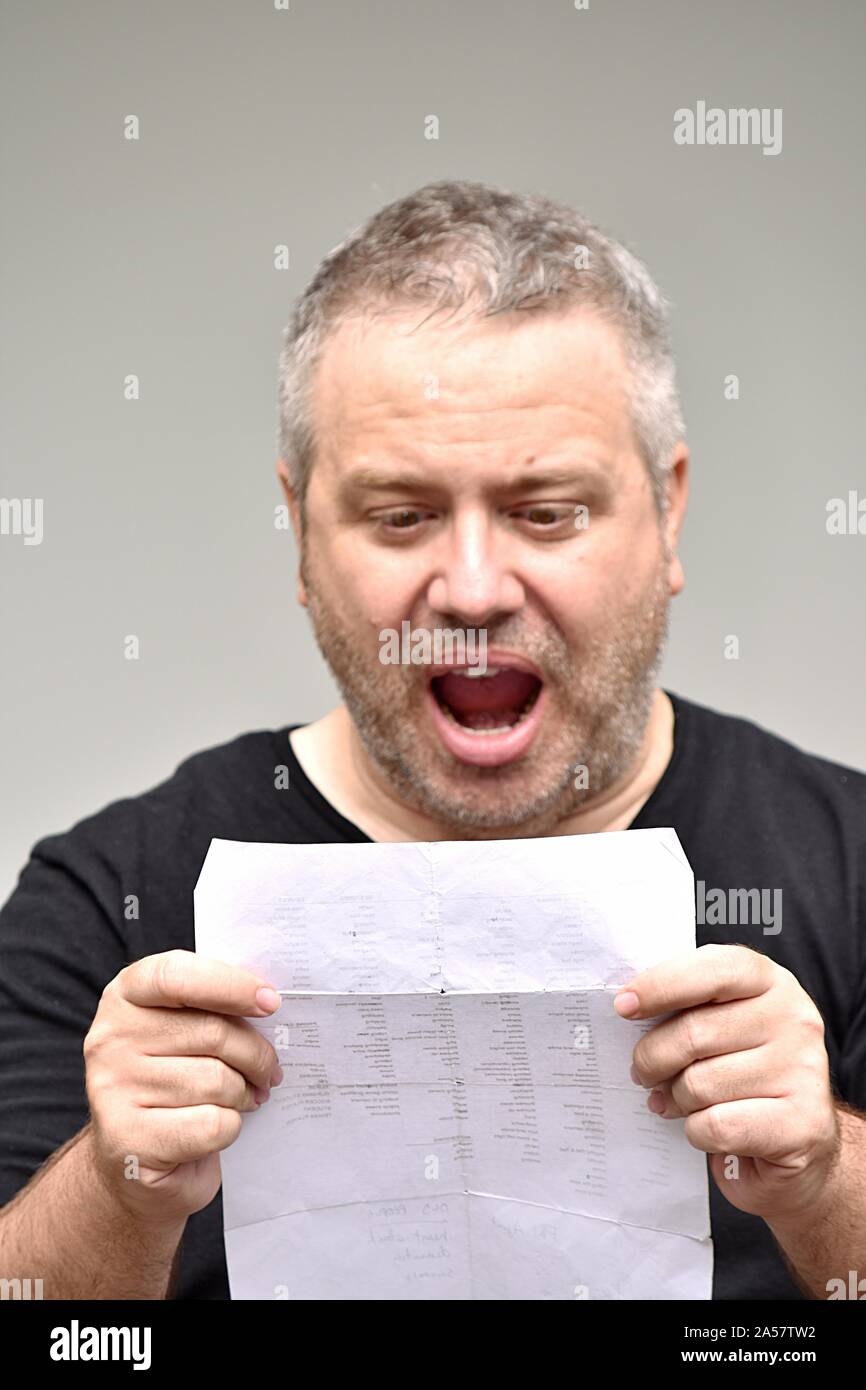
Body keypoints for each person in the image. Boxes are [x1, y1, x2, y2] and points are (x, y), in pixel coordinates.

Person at [1, 180, 864, 1301]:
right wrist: (116, 1192)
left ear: (668, 511)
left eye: (545, 510)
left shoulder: (846, 867)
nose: (468, 590)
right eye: (400, 514)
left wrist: (824, 1173)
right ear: (303, 535)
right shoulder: (107, 895)